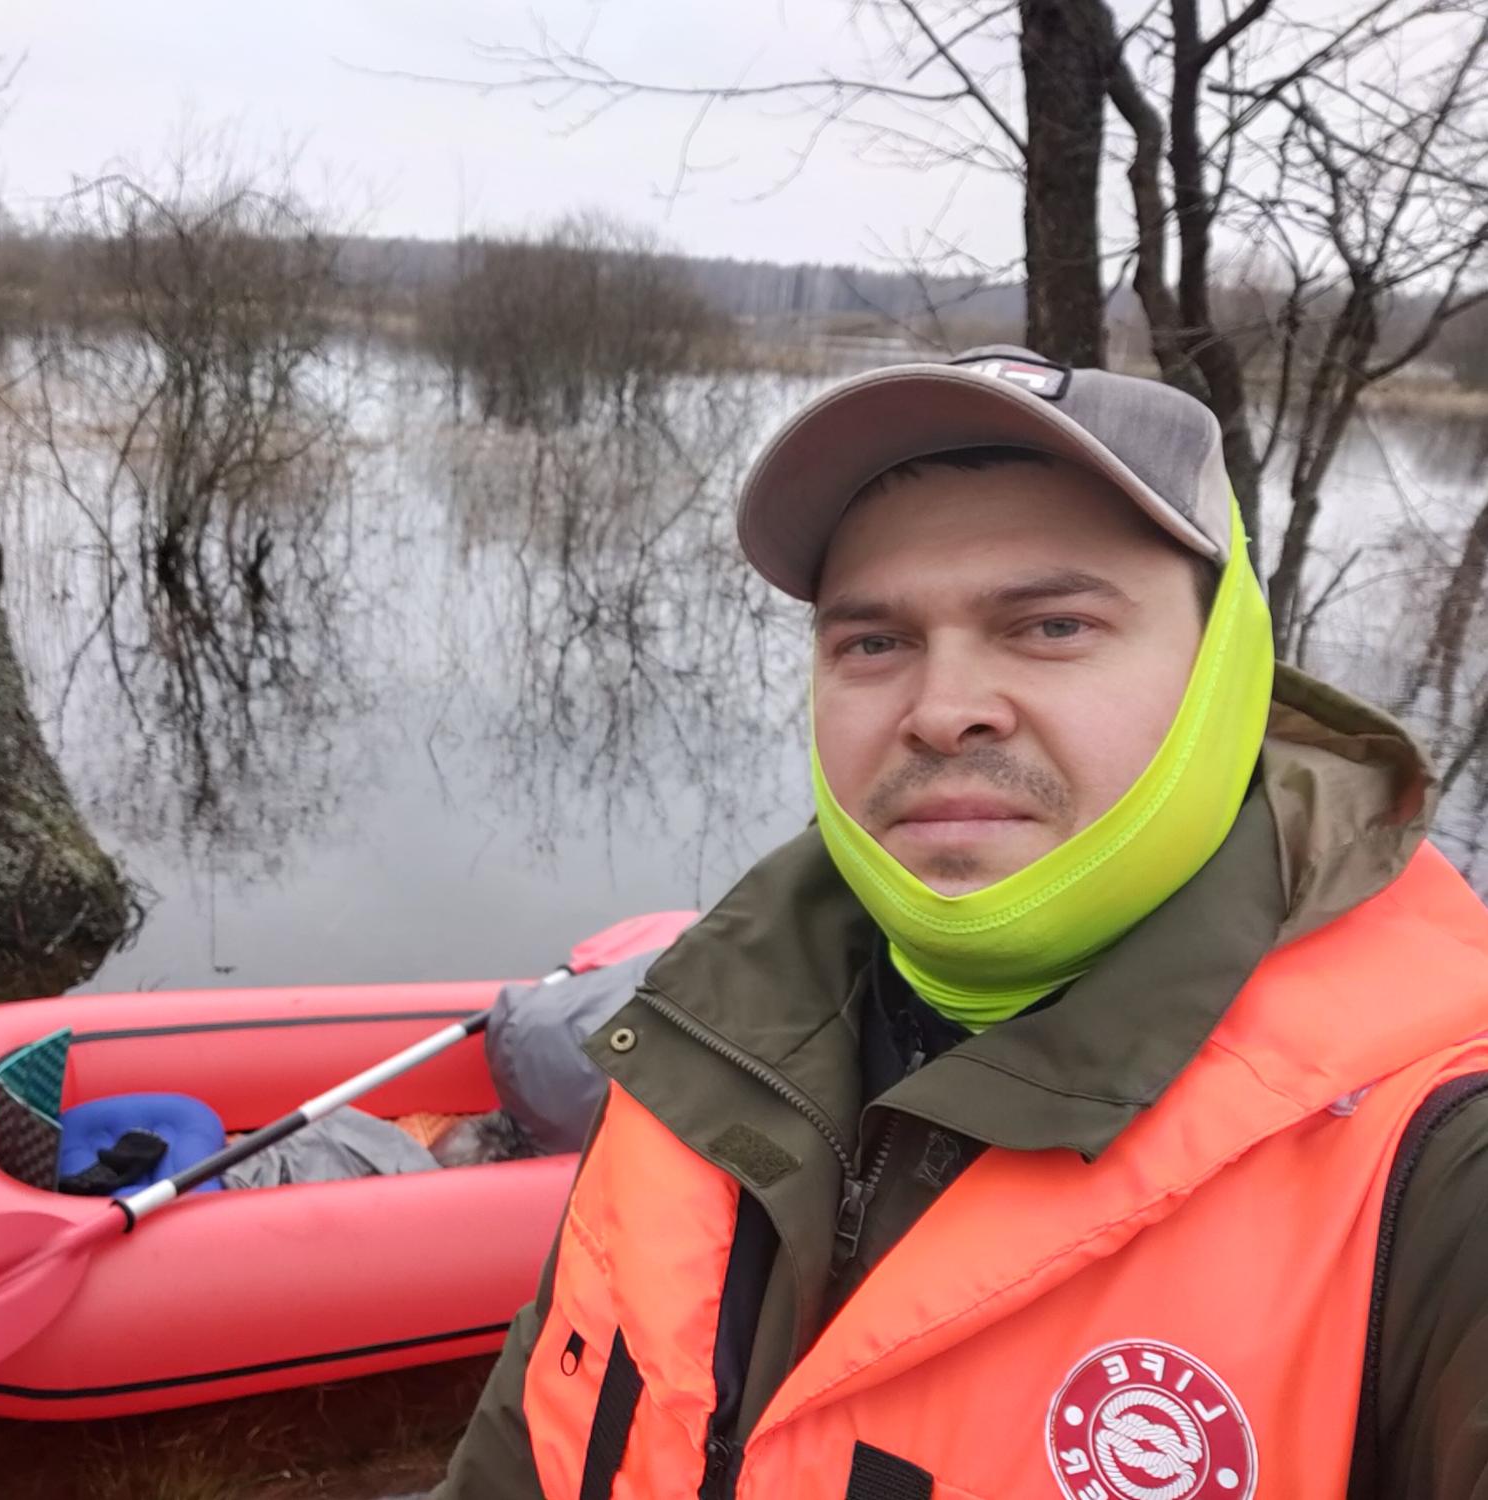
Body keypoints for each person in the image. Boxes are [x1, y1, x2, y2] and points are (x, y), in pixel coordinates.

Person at [433, 347, 1488, 1500]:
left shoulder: (1438, 1172)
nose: (943, 713)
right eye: (874, 644)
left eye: (1051, 627)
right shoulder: (700, 1038)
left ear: (1222, 667)